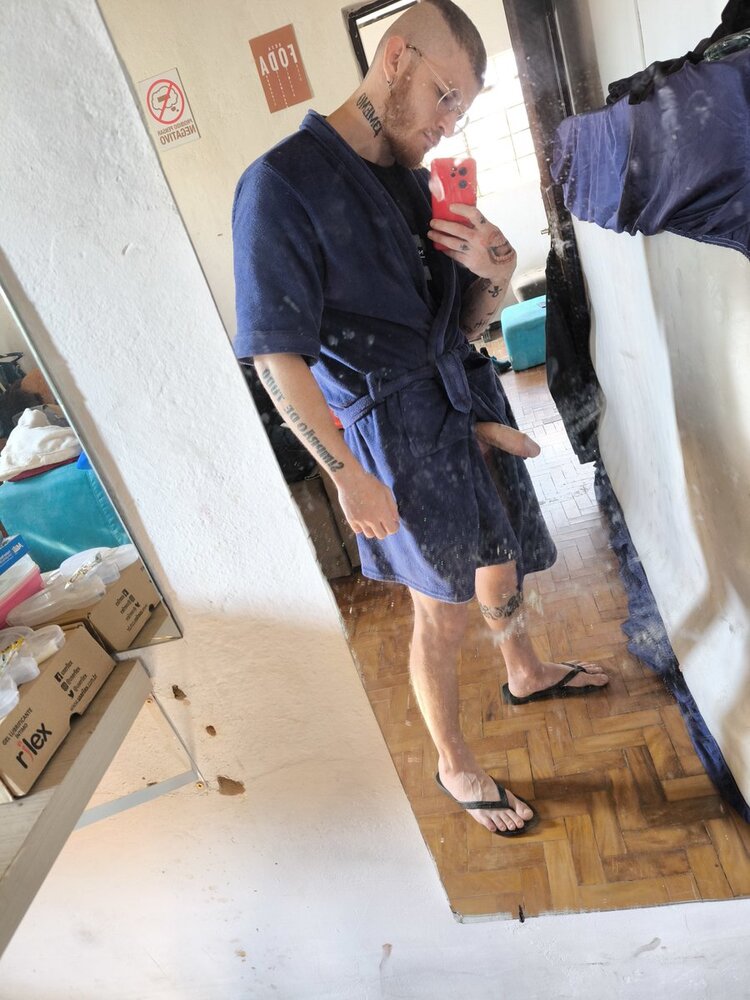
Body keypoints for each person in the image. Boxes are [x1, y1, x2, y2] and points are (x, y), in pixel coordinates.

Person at [232, 0, 609, 836]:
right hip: (392, 439)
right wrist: (346, 474)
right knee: (439, 610)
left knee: (502, 551)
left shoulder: (411, 182)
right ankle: (453, 763)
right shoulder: (280, 185)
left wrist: (494, 273)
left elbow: (463, 325)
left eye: (460, 110)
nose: (447, 124)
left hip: (461, 395)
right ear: (395, 57)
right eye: (445, 96)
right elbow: (274, 357)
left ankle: (524, 669)